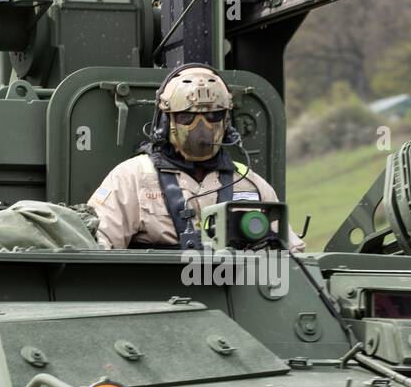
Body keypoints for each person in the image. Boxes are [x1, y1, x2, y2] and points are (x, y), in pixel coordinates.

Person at [89, 64, 303, 250]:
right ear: (166, 122)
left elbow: (291, 255)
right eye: (186, 117)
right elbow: (97, 245)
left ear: (226, 121)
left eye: (212, 116)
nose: (201, 128)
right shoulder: (132, 177)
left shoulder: (249, 183)